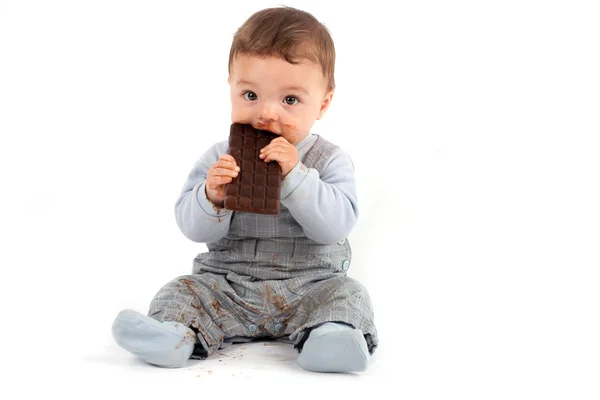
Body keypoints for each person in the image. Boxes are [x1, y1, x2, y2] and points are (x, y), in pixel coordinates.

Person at [112, 6, 378, 373]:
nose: (266, 114)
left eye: (290, 100)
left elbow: (335, 227)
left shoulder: (330, 160)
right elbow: (192, 228)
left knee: (349, 295)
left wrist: (296, 175)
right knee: (183, 289)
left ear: (324, 103)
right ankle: (173, 335)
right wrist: (212, 197)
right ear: (231, 89)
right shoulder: (219, 158)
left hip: (310, 284)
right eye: (250, 95)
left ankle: (330, 338)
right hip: (229, 284)